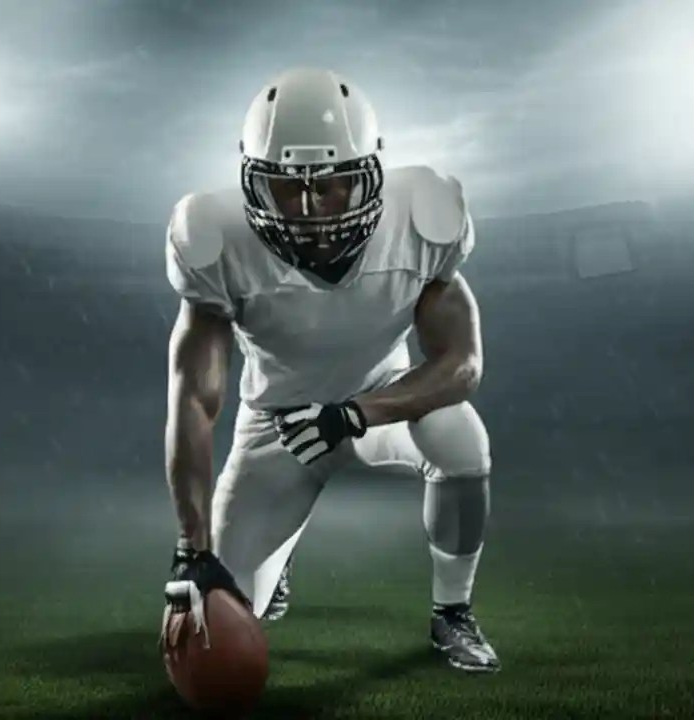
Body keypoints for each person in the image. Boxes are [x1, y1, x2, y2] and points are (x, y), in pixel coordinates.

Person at [161, 67, 499, 672]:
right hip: (279, 430)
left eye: (335, 183)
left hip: (379, 406)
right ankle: (276, 554)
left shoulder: (422, 215)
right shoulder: (215, 241)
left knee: (460, 434)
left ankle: (453, 613)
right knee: (214, 630)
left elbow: (461, 364)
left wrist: (357, 414)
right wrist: (191, 547)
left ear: (370, 172)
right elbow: (194, 402)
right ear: (252, 184)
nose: (312, 209)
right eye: (288, 188)